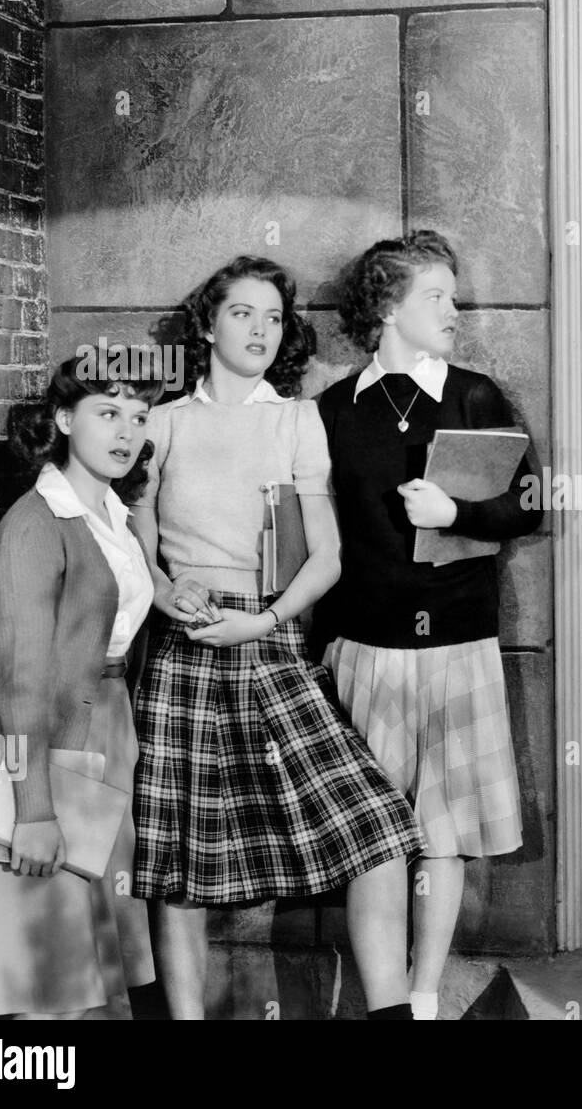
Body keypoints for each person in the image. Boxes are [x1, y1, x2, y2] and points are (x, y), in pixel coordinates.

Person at [128, 255, 422, 1018]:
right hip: (184, 652)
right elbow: (136, 547)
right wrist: (170, 598)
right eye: (241, 314)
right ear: (207, 324)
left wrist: (260, 621)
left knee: (379, 827)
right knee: (180, 861)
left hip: (271, 639)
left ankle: (391, 1010)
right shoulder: (161, 424)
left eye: (273, 317)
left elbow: (326, 558)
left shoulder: (297, 419)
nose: (260, 330)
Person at [316, 230, 542, 1019]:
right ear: (386, 307)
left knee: (441, 838)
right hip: (364, 651)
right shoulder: (333, 410)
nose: (454, 310)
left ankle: (421, 998)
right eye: (435, 297)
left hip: (458, 643)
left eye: (454, 295)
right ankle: (383, 1007)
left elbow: (529, 500)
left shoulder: (475, 393)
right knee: (371, 845)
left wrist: (460, 511)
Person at [0, 353, 161, 1017]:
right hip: (47, 750)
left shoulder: (111, 513)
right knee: (49, 973)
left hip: (104, 733)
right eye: (106, 412)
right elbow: (23, 683)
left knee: (104, 941)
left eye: (139, 417)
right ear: (65, 419)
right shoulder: (34, 526)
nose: (125, 432)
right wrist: (33, 812)